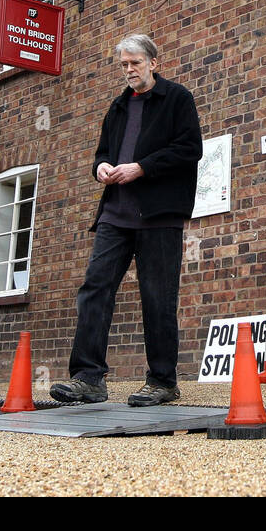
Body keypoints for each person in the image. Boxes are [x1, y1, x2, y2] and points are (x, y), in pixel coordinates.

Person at [50, 34, 202, 406]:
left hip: (159, 215)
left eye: (135, 62)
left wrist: (142, 168)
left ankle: (163, 381)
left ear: (153, 62)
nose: (129, 70)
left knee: (157, 298)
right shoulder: (117, 107)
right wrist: (100, 166)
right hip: (114, 215)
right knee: (95, 288)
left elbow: (190, 149)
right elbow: (103, 152)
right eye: (124, 65)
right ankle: (88, 378)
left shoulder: (177, 98)